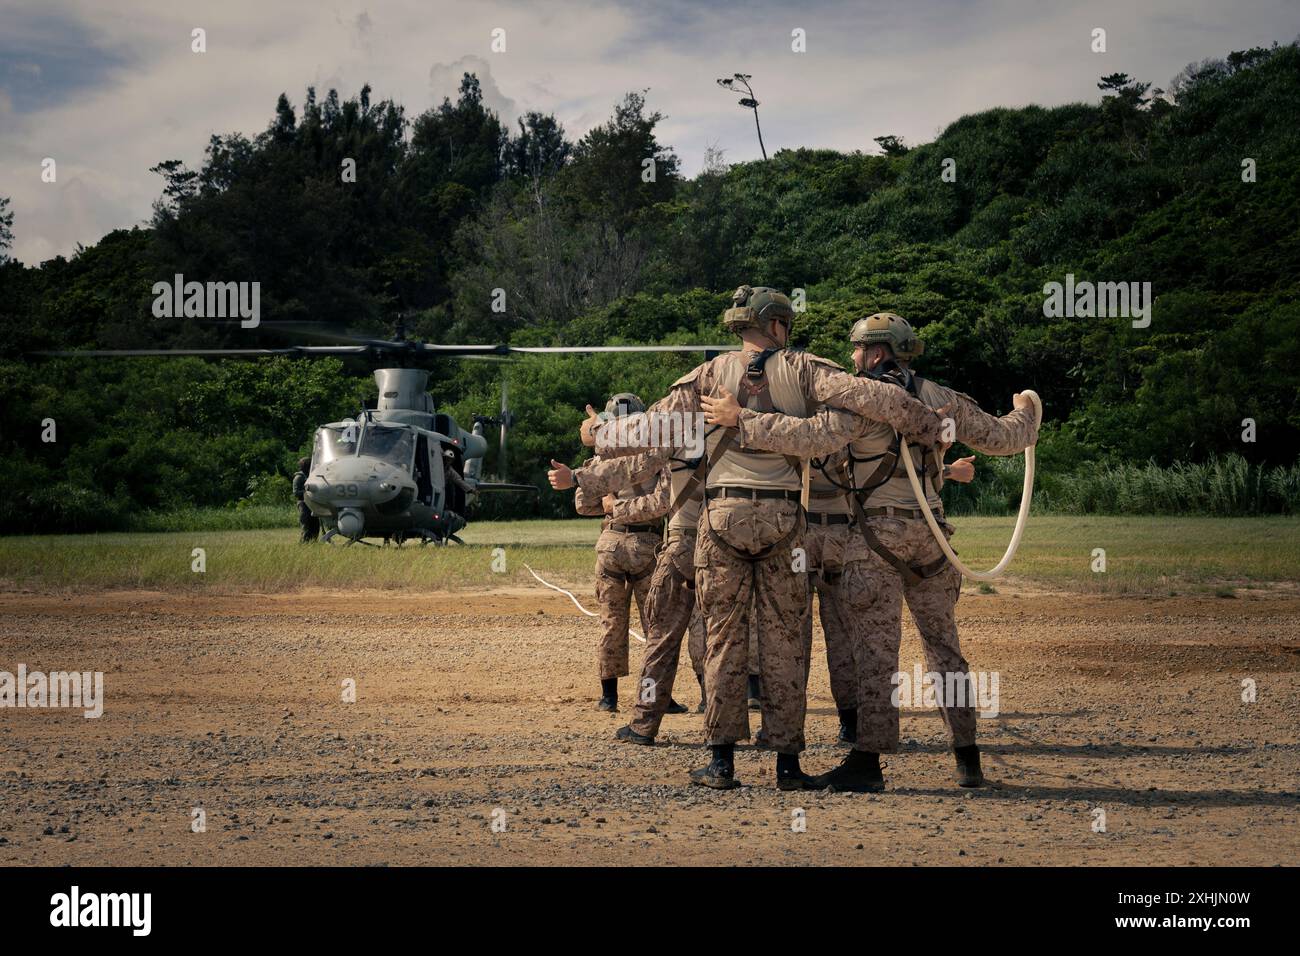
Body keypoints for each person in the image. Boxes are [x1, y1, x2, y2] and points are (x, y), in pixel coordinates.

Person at [586, 286, 946, 790]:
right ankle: (787, 765)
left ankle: (721, 762)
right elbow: (875, 399)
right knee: (784, 644)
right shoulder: (806, 370)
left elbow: (650, 430)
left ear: (741, 327)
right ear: (778, 326)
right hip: (784, 521)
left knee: (723, 639)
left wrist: (599, 433)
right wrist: (928, 422)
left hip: (722, 520)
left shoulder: (708, 376)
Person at [702, 312, 1038, 791]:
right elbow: (1005, 437)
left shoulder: (863, 407)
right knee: (945, 649)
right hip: (934, 538)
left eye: (857, 350)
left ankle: (868, 762)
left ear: (876, 353)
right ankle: (967, 756)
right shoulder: (942, 399)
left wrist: (743, 420)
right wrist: (1027, 408)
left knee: (876, 655)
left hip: (876, 541)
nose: (851, 358)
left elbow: (809, 439)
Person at [572, 394, 672, 712]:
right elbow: (668, 501)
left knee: (611, 622)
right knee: (654, 626)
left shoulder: (602, 460)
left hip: (610, 544)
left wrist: (610, 504)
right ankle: (654, 696)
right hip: (647, 545)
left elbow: (581, 503)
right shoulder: (656, 457)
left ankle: (608, 697)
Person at [292, 457, 319, 543]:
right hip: (303, 503)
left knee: (315, 525)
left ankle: (313, 542)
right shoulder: (299, 477)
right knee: (306, 525)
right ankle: (303, 543)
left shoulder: (310, 475)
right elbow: (296, 493)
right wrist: (306, 491)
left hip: (312, 504)